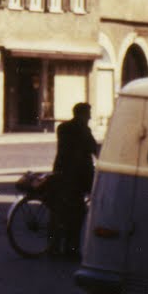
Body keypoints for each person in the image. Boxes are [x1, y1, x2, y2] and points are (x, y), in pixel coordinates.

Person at [50, 102, 100, 258]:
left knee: (60, 212)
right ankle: (71, 250)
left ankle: (55, 248)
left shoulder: (63, 128)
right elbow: (94, 149)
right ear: (83, 115)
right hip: (77, 177)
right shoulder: (83, 129)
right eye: (89, 114)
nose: (90, 117)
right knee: (77, 214)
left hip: (61, 173)